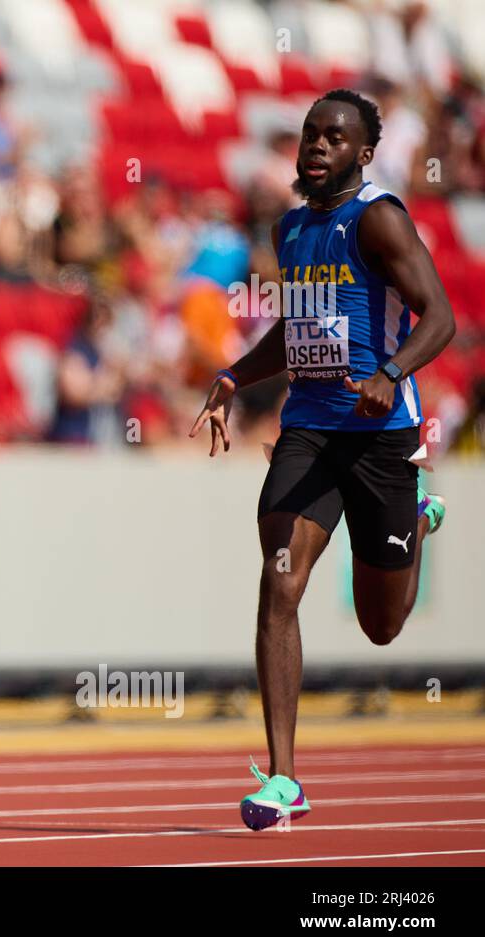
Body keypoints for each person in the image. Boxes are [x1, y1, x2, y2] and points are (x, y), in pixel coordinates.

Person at [189, 89, 455, 830]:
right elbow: (293, 328)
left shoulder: (379, 218)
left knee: (382, 627)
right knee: (280, 584)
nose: (316, 146)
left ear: (364, 152)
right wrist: (235, 376)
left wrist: (390, 373)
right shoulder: (292, 227)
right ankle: (284, 779)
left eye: (334, 138)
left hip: (379, 436)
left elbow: (440, 315)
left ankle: (420, 521)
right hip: (307, 429)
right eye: (310, 134)